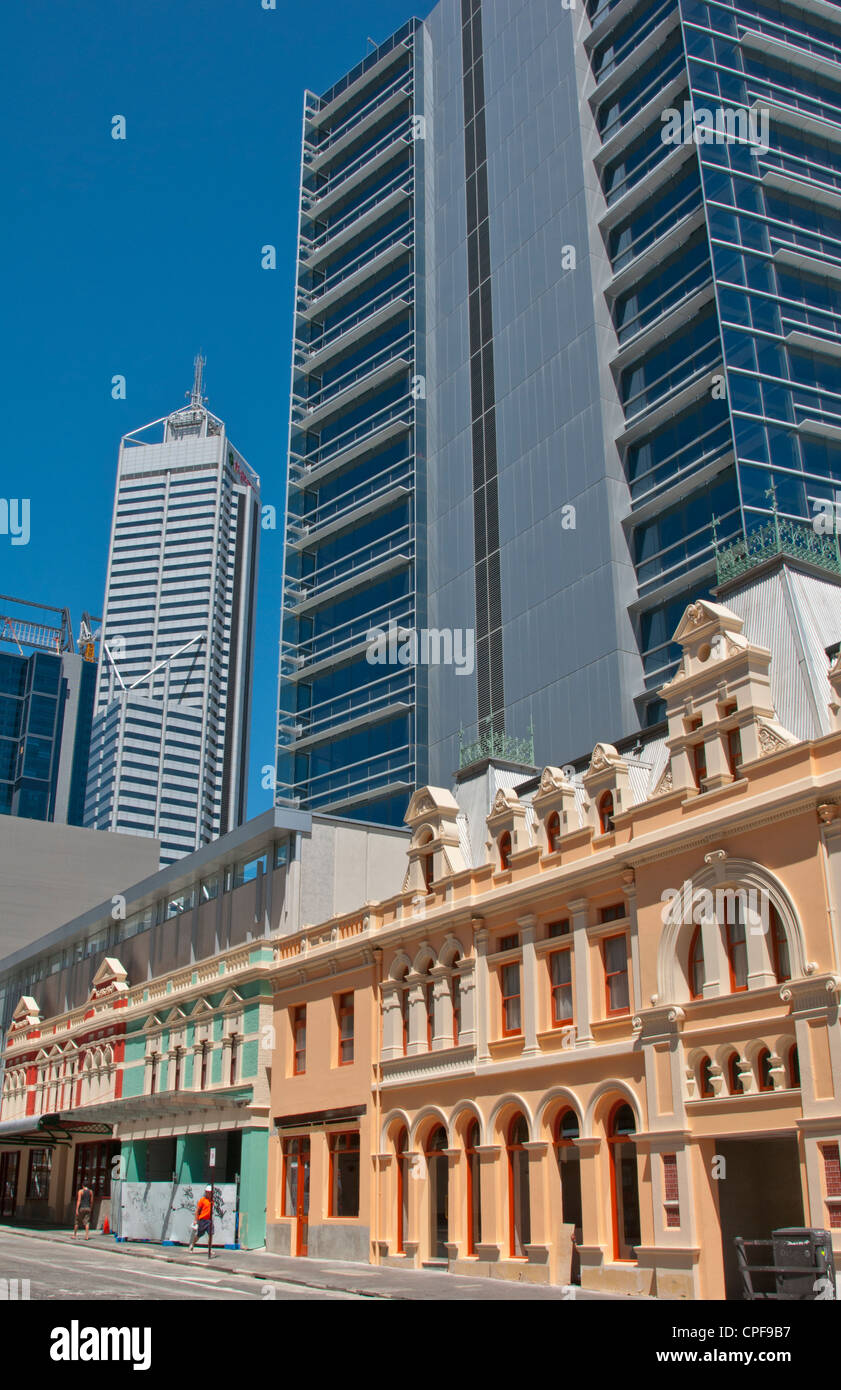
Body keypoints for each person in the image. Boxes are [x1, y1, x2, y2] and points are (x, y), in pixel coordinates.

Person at [188, 1186, 213, 1251]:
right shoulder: (202, 1200)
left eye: (210, 1192)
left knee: (211, 1234)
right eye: (208, 1192)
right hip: (202, 1220)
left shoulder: (212, 1201)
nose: (209, 1194)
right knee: (199, 1235)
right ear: (206, 1192)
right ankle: (192, 1245)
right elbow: (197, 1211)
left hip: (209, 1221)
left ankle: (209, 1250)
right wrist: (195, 1220)